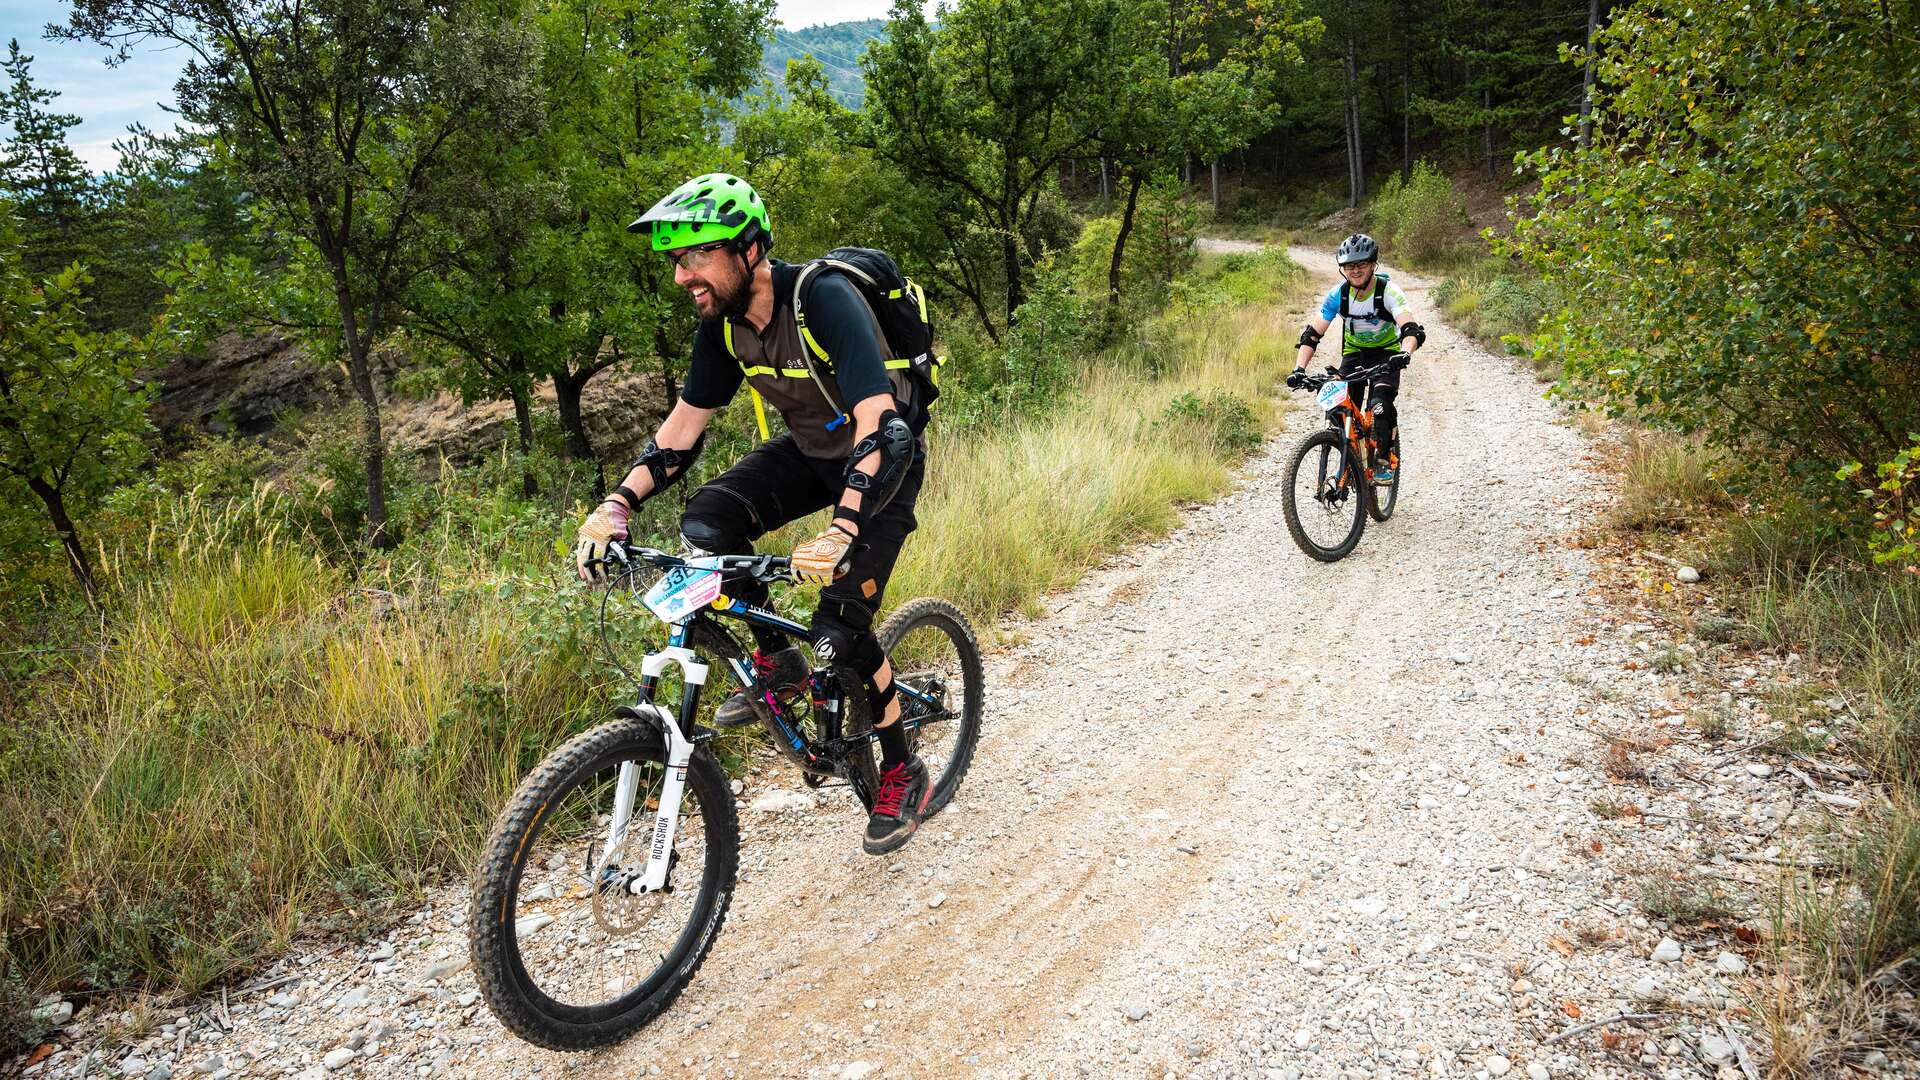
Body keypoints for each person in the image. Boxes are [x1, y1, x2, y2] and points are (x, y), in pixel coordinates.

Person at [572, 172, 932, 855]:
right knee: (707, 522)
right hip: (809, 452)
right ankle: (779, 661)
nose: (682, 275)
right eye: (676, 261)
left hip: (884, 457)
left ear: (749, 250)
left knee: (842, 626)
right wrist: (615, 506)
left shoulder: (822, 300)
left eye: (696, 255)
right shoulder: (723, 326)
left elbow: (879, 423)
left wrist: (841, 530)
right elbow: (681, 430)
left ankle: (902, 768)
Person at [1287, 233, 1427, 484]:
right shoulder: (1337, 296)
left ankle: (1383, 459)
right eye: (1349, 265)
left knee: (1380, 406)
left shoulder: (1388, 292)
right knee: (1338, 409)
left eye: (1361, 264)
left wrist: (1405, 353)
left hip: (1386, 355)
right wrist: (1298, 368)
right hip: (1354, 355)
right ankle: (1351, 457)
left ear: (1374, 264)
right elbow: (1312, 335)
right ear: (1342, 268)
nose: (1355, 270)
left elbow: (1410, 329)